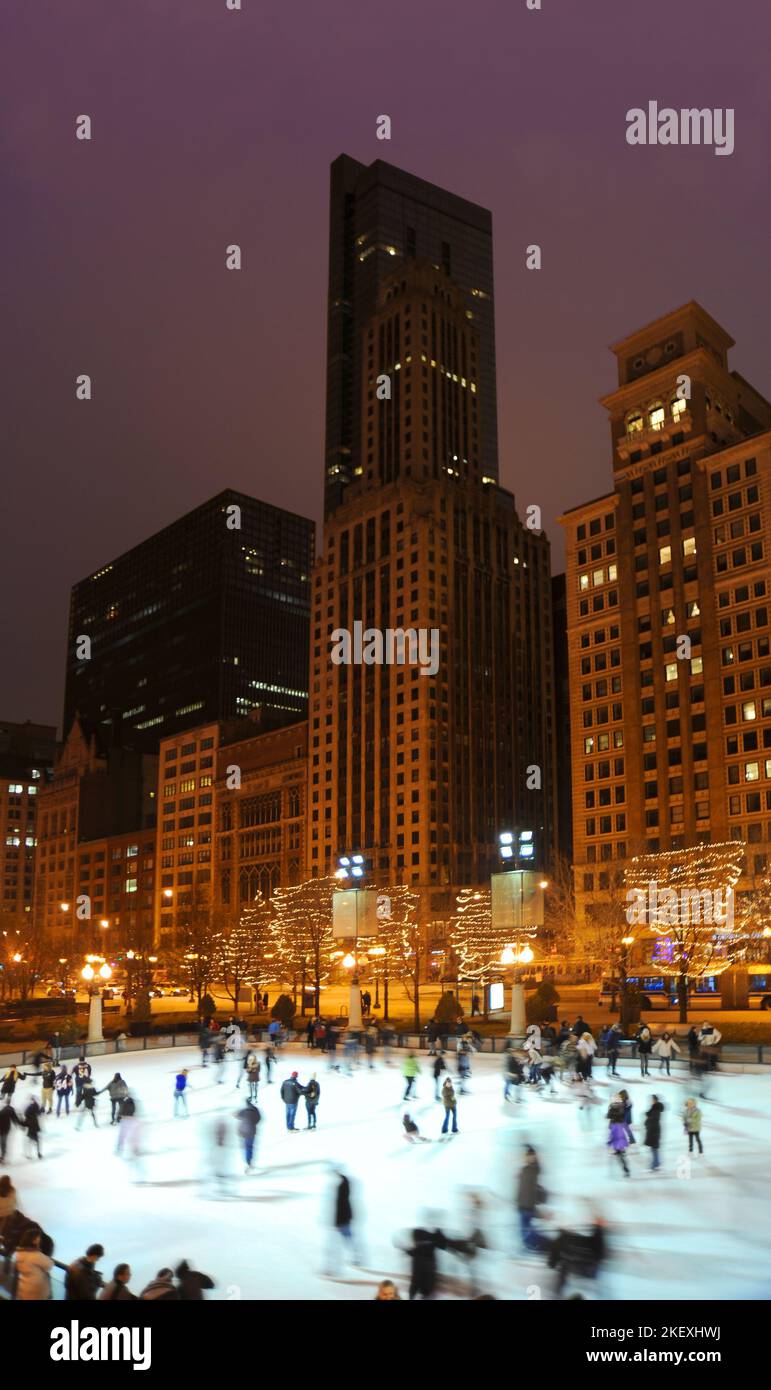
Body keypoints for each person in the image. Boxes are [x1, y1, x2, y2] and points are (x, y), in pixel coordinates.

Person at [517, 1147, 548, 1251]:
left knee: (528, 1231)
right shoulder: (524, 1169)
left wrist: (533, 1150)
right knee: (523, 1231)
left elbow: (539, 1167)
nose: (529, 1158)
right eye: (528, 1156)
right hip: (521, 1206)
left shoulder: (535, 1169)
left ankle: (539, 1246)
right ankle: (531, 1246)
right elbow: (521, 1189)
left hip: (529, 1206)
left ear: (534, 1157)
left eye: (531, 1156)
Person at [405, 1227, 447, 1300]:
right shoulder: (430, 1249)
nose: (414, 1242)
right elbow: (442, 1244)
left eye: (414, 1240)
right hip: (432, 1291)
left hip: (427, 1292)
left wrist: (411, 1295)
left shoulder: (418, 1255)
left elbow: (416, 1279)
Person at [14, 1227, 54, 1301]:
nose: (39, 1239)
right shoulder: (35, 1255)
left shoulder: (20, 1253)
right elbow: (50, 1264)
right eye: (38, 1237)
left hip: (24, 1286)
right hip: (35, 1290)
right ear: (33, 1240)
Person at [235, 1100, 261, 1170]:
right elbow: (259, 1119)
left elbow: (236, 1115)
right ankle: (249, 1160)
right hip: (252, 1131)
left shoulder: (243, 1111)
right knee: (250, 1146)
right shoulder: (256, 1111)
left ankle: (247, 1160)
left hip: (244, 1132)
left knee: (246, 1146)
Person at [644, 1096, 664, 1171]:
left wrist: (647, 1122)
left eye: (652, 1100)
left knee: (654, 1148)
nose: (651, 1101)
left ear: (655, 1100)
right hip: (653, 1130)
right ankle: (657, 1163)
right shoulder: (654, 1108)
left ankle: (654, 1165)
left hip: (654, 1130)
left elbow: (654, 1119)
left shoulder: (655, 1109)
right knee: (654, 1148)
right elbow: (651, 1117)